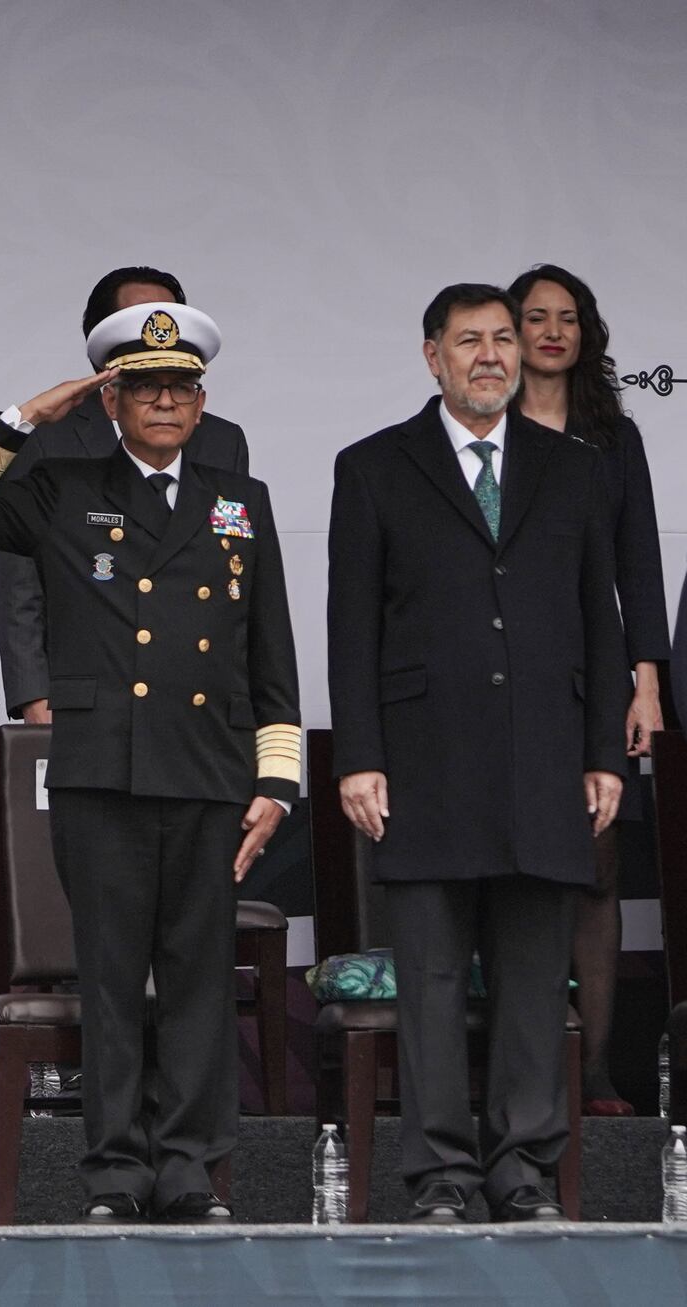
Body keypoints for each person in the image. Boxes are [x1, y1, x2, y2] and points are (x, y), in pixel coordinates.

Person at [0, 303, 300, 1224]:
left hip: (209, 774)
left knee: (200, 983)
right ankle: (116, 1174)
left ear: (202, 403)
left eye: (180, 387)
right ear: (113, 400)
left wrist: (277, 780)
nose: (164, 401)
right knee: (114, 981)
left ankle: (190, 1171)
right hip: (100, 772)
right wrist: (28, 417)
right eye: (143, 387)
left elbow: (270, 654)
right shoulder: (63, 486)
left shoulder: (240, 502)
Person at [328, 283, 627, 1223]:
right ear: (433, 357)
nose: (493, 355)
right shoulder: (375, 466)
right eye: (471, 341)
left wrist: (602, 751)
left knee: (538, 978)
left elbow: (599, 619)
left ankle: (523, 1170)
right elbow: (351, 627)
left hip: (546, 758)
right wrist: (359, 756)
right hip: (422, 764)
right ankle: (443, 1176)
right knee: (431, 979)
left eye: (504, 339)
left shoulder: (574, 467)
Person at [506, 265, 667, 1120]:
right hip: (500, 677)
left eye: (569, 318)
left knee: (598, 870)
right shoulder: (480, 426)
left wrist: (647, 685)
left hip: (596, 674)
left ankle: (596, 1070)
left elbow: (639, 564)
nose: (553, 331)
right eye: (536, 317)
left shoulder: (614, 435)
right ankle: (523, 1074)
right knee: (512, 872)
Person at [0, 267, 248, 722]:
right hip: (89, 696)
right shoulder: (49, 438)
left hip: (197, 694)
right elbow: (20, 584)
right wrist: (34, 695)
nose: (155, 336)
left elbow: (238, 577)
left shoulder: (222, 442)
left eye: (168, 319)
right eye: (138, 321)